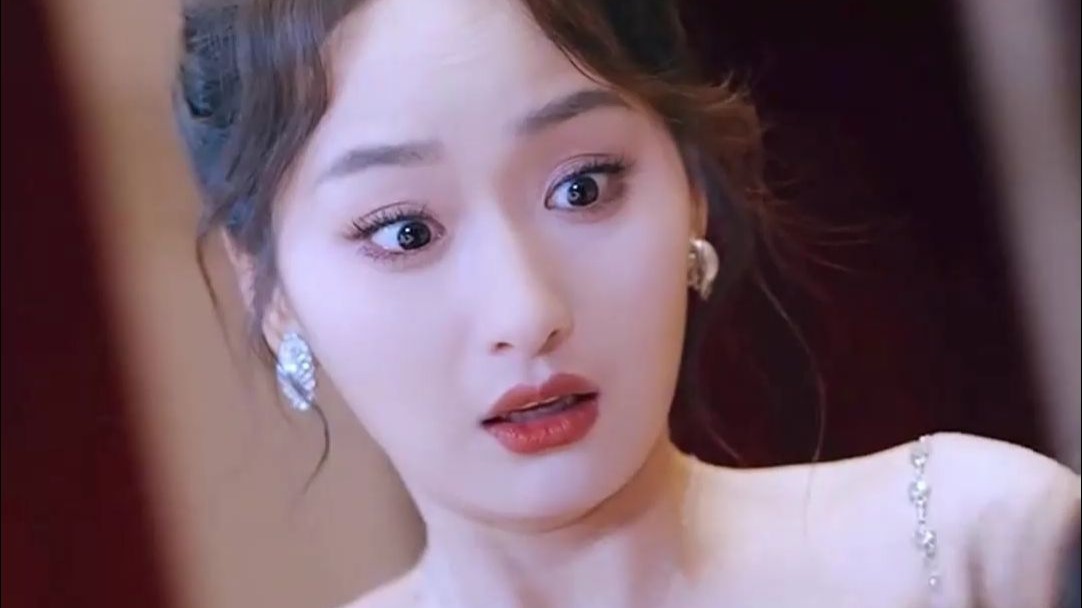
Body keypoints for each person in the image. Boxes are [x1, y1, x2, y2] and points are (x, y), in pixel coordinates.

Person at [174, 1, 1081, 606]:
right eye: (406, 232)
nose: (526, 311)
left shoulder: (975, 551)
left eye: (582, 187)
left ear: (690, 188)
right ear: (272, 293)